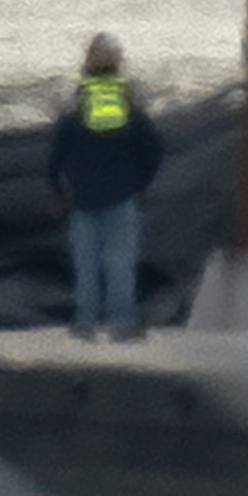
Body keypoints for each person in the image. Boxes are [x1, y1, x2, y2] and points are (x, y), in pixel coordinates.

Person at [49, 34, 160, 340]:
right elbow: (152, 147)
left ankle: (85, 324)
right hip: (121, 196)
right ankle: (121, 325)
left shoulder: (76, 103)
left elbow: (57, 152)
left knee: (85, 264)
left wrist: (57, 190)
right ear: (118, 62)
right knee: (120, 263)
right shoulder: (127, 102)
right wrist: (139, 182)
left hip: (82, 198)